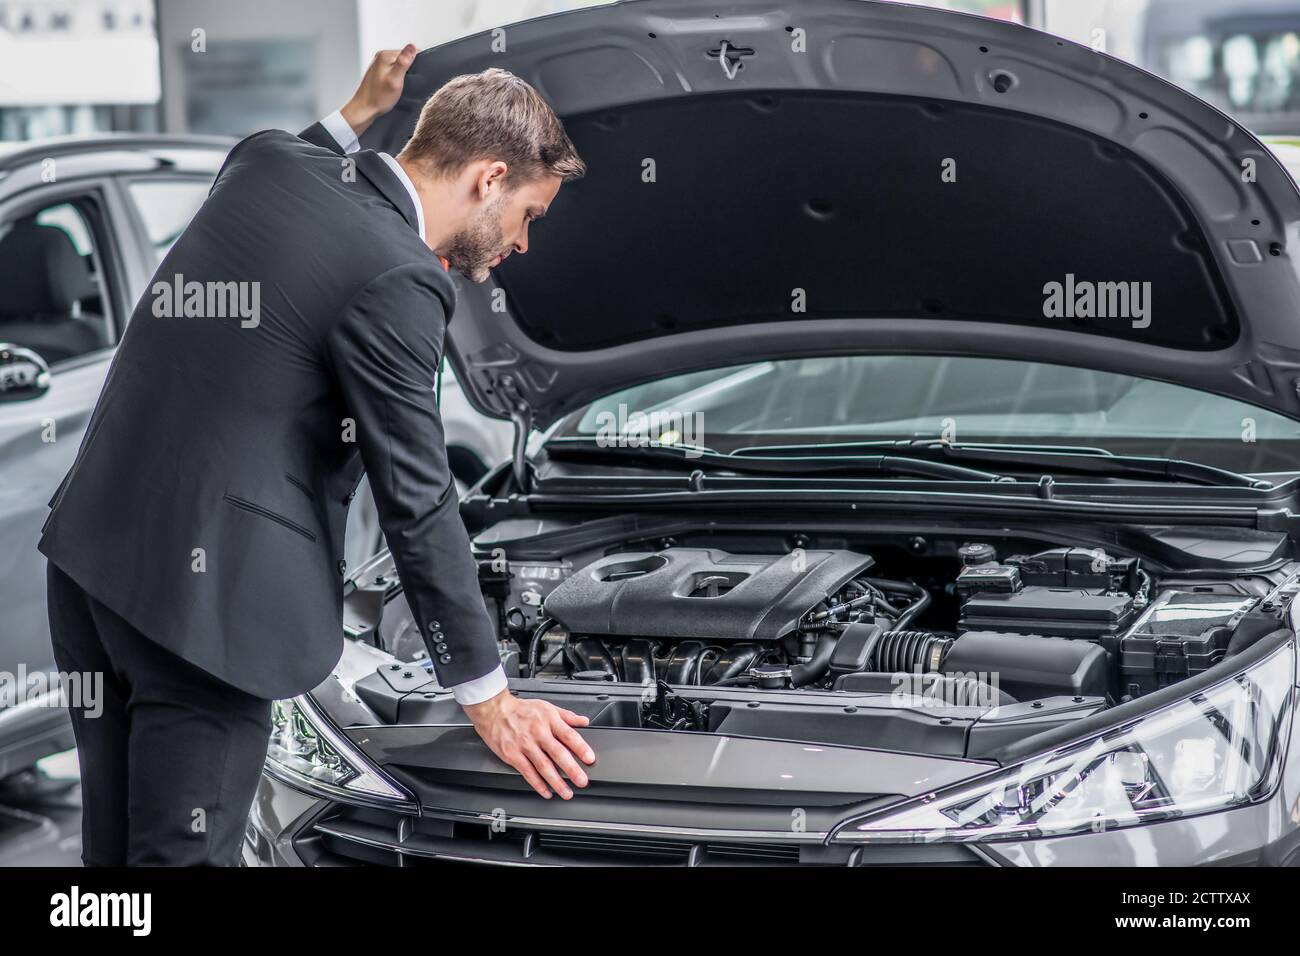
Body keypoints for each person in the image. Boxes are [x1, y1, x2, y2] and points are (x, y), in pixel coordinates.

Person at [39, 46, 595, 866]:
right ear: (488, 178)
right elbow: (419, 495)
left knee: (115, 860)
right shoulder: (402, 279)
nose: (519, 244)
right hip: (205, 611)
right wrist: (489, 696)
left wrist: (355, 114)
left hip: (94, 566)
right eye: (529, 215)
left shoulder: (266, 162)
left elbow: (291, 162)